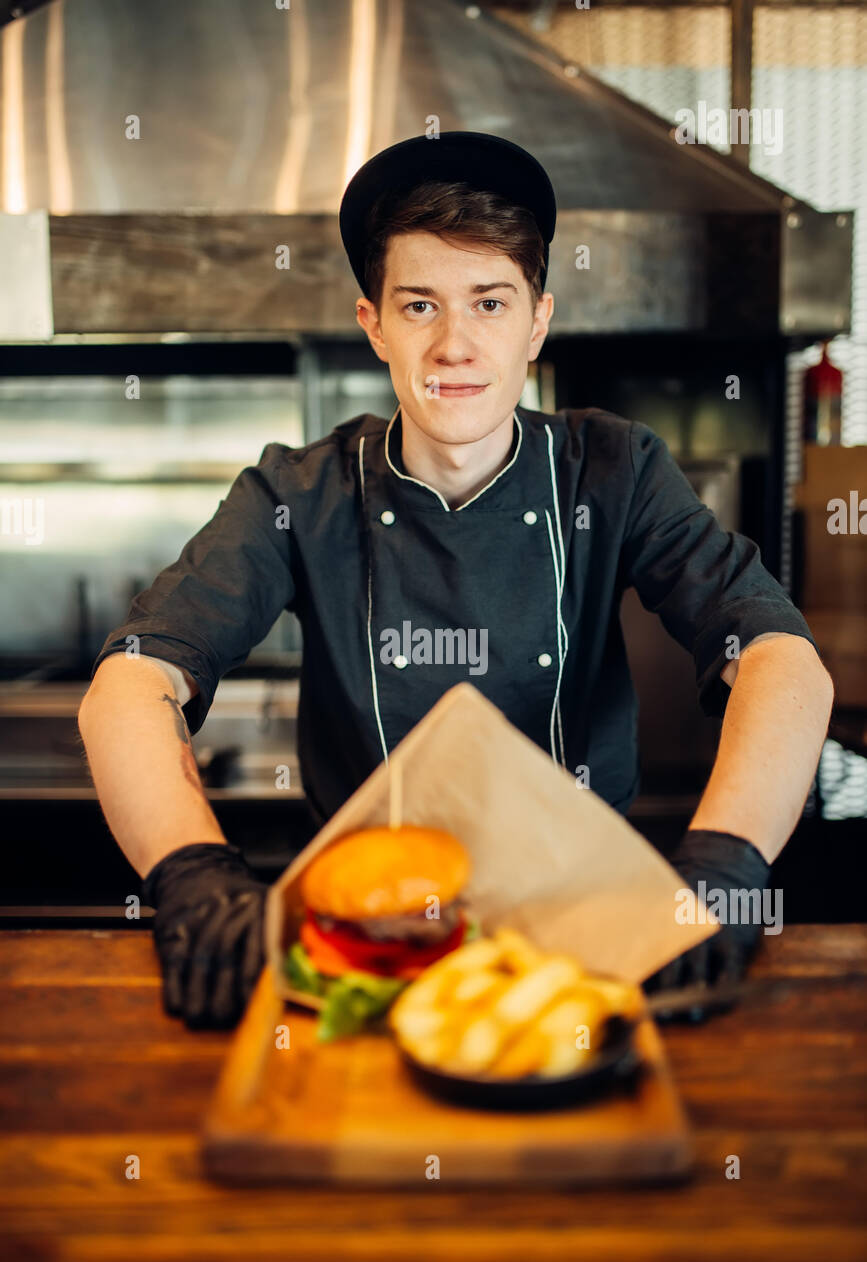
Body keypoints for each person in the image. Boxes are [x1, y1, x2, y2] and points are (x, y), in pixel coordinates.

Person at [77, 132, 834, 1029]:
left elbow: (780, 658)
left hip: (589, 936)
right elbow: (130, 684)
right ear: (374, 325)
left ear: (536, 321)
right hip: (368, 940)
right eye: (419, 307)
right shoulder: (297, 493)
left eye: (489, 303)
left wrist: (724, 864)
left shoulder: (614, 470)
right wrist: (192, 875)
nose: (454, 346)